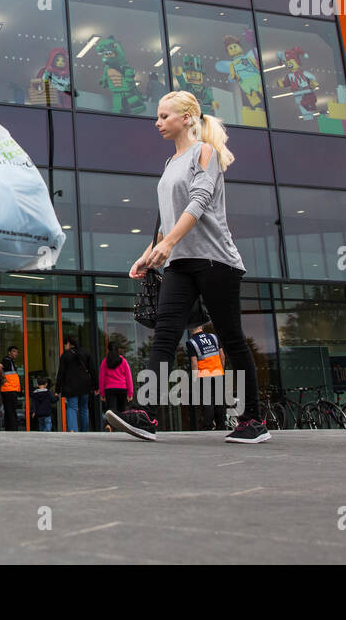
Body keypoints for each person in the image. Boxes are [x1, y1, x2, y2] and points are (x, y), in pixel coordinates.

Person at [108, 91, 269, 443]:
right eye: (158, 116)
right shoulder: (170, 163)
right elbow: (167, 220)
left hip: (216, 261)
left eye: (164, 116)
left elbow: (198, 202)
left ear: (186, 118)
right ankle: (145, 413)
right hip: (179, 264)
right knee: (165, 335)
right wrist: (149, 252)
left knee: (232, 338)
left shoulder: (204, 153)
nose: (157, 122)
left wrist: (167, 244)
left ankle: (253, 420)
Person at [184, 303, 228, 431]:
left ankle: (208, 427)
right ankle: (221, 426)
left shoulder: (191, 343)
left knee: (208, 402)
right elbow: (222, 355)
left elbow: (194, 363)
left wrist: (194, 379)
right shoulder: (214, 337)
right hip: (218, 373)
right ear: (202, 326)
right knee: (220, 401)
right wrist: (221, 369)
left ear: (190, 328)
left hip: (204, 375)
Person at [55, 335, 96, 431]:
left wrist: (57, 389)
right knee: (84, 408)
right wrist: (96, 386)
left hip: (71, 387)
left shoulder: (65, 355)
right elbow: (93, 371)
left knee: (72, 407)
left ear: (69, 344)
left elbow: (61, 373)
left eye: (65, 344)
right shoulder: (86, 353)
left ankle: (73, 430)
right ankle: (84, 431)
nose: (64, 346)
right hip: (85, 386)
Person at [98, 336, 133, 417]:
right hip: (122, 389)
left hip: (109, 389)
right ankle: (122, 424)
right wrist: (130, 393)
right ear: (118, 350)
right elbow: (129, 377)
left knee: (112, 413)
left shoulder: (105, 361)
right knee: (122, 412)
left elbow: (101, 378)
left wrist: (102, 393)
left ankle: (110, 424)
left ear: (108, 350)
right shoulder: (123, 361)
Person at [0, 345, 22, 432]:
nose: (16, 353)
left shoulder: (11, 362)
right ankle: (13, 429)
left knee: (9, 411)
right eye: (14, 351)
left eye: (17, 352)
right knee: (11, 411)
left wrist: (2, 377)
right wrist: (3, 377)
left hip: (10, 389)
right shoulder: (7, 360)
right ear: (9, 352)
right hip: (9, 390)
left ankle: (9, 429)